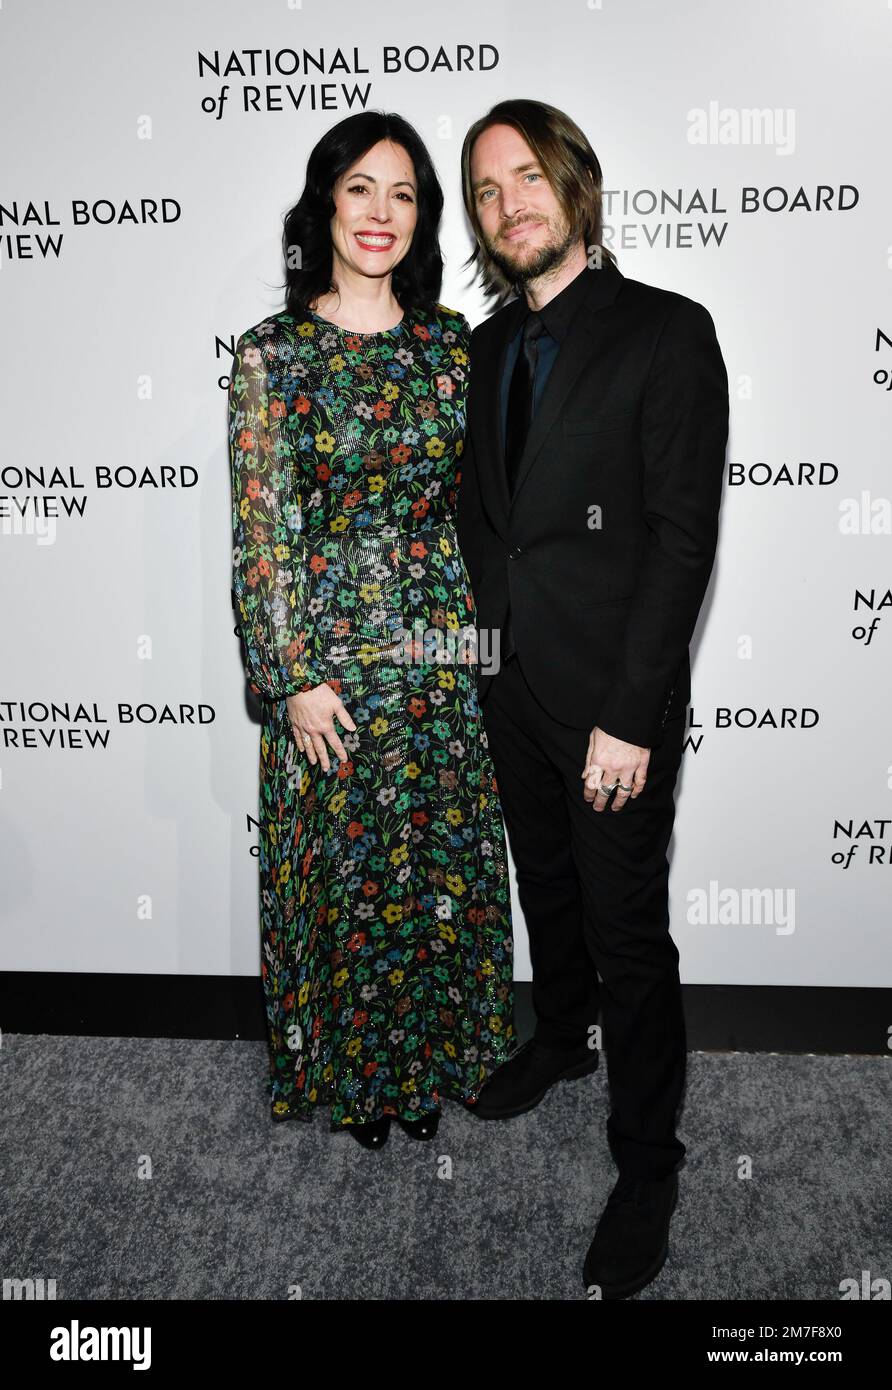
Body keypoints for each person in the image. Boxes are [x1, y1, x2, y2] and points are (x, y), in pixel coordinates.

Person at [457, 99, 729, 1296]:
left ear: (576, 186)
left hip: (612, 701)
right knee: (545, 887)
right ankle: (558, 1042)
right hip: (507, 688)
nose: (506, 204)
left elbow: (679, 543)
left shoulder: (666, 332)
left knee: (628, 933)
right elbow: (485, 527)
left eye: (525, 177)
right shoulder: (481, 349)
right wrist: (470, 663)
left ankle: (650, 1159)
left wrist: (631, 715)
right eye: (483, 190)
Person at [228, 110, 515, 1152]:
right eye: (359, 189)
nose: (380, 213)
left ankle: (428, 1062)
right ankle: (354, 1076)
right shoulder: (272, 356)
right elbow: (260, 528)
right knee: (348, 876)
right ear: (326, 204)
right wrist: (289, 674)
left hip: (437, 648)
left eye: (402, 193)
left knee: (433, 870)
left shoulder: (450, 345)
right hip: (328, 661)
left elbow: (485, 510)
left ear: (423, 215)